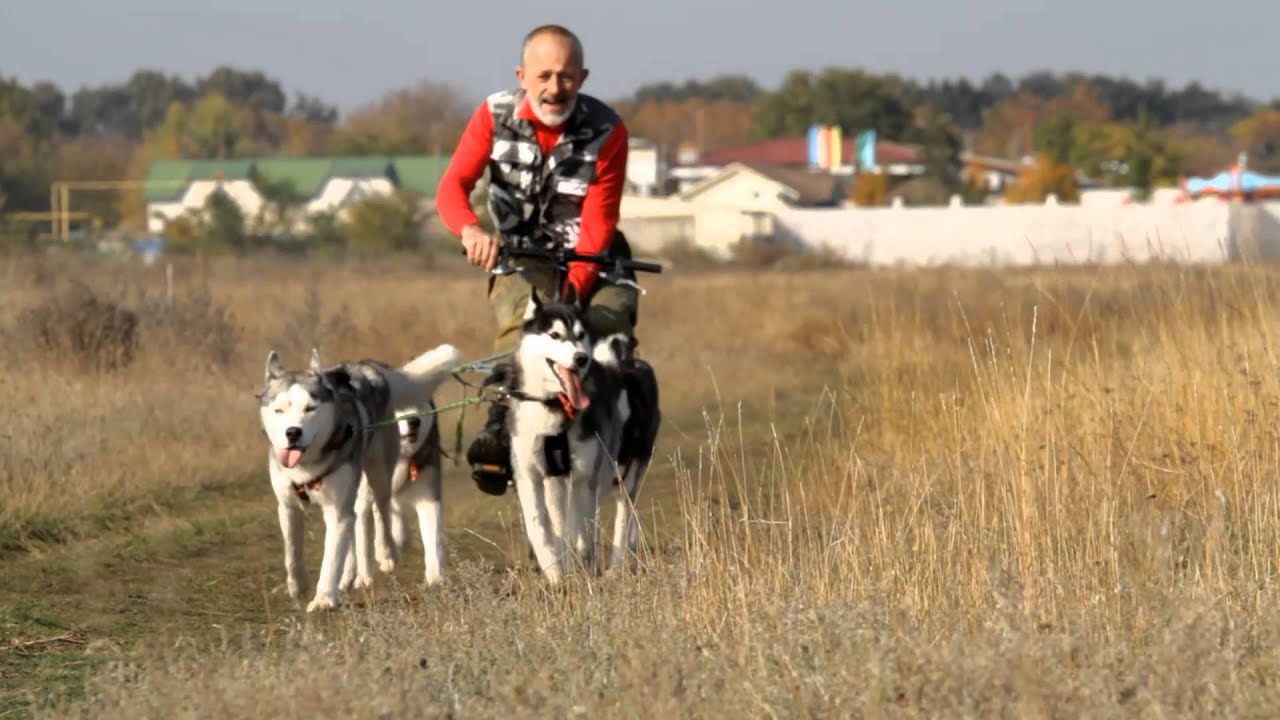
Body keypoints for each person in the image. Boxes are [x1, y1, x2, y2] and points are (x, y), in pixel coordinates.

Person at [434, 24, 639, 496]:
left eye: (566, 76)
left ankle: (619, 432)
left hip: (595, 258)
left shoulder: (609, 130)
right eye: (543, 75)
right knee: (521, 332)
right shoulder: (492, 114)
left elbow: (599, 223)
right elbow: (451, 188)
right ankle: (498, 429)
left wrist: (571, 299)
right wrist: (469, 229)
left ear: (583, 77)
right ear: (521, 75)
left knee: (607, 332)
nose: (554, 88)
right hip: (519, 256)